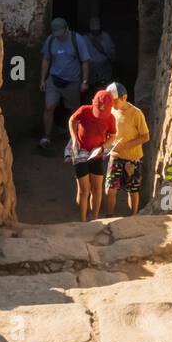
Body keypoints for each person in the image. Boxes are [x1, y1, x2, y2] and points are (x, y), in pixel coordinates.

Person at [39, 17, 91, 149]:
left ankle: (75, 138)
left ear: (66, 29)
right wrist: (43, 79)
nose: (59, 37)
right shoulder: (51, 40)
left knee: (74, 111)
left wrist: (84, 81)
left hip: (72, 81)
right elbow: (46, 59)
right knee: (49, 107)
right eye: (57, 35)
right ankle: (47, 136)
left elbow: (85, 61)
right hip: (54, 79)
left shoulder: (77, 39)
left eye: (61, 34)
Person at [66, 89, 117, 221]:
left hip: (97, 153)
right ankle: (82, 221)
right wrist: (74, 138)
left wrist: (104, 146)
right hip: (81, 151)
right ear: (93, 103)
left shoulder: (111, 118)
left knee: (97, 188)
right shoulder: (84, 110)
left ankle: (94, 218)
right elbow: (72, 120)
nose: (100, 115)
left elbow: (112, 136)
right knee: (84, 190)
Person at [102, 82, 149, 216]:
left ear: (124, 98)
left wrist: (126, 146)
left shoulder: (136, 114)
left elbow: (145, 137)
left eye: (114, 101)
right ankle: (109, 216)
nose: (112, 104)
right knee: (110, 190)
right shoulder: (111, 110)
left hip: (133, 159)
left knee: (132, 191)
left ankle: (133, 217)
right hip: (115, 156)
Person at [84, 17, 116, 89]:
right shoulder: (84, 39)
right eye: (93, 31)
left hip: (104, 71)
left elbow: (112, 53)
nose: (95, 33)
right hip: (91, 72)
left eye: (97, 31)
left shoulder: (106, 37)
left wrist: (110, 59)